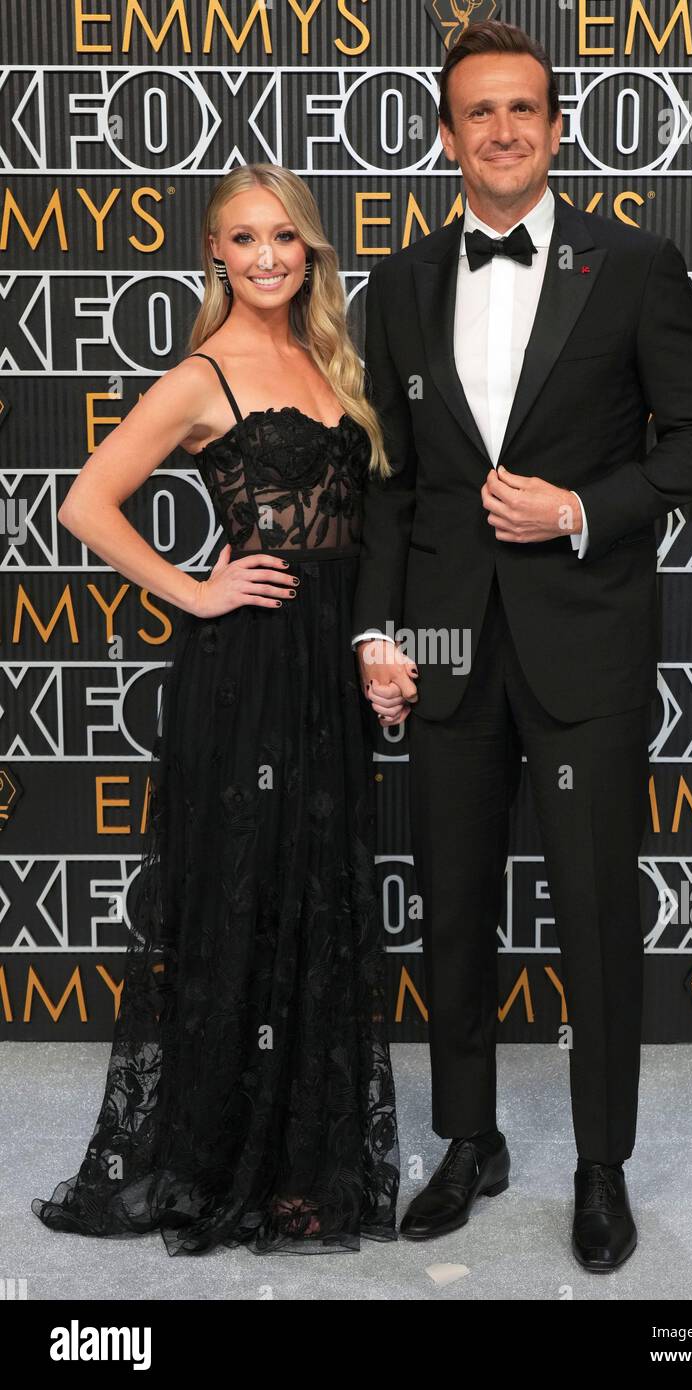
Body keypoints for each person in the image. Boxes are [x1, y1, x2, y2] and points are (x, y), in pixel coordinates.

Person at [353, 21, 692, 1270]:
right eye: (478, 112)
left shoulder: (633, 263)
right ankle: (468, 1140)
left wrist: (579, 510)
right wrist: (378, 630)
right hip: (450, 645)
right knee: (453, 912)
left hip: (586, 648)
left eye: (523, 109)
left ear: (557, 127)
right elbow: (392, 490)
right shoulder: (400, 284)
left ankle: (600, 1166)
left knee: (589, 921)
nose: (502, 131)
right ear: (446, 133)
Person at [31, 164, 400, 1255]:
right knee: (242, 897)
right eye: (244, 238)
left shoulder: (332, 359)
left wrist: (377, 650)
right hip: (243, 672)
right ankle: (215, 1159)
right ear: (215, 256)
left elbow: (365, 529)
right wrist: (197, 588)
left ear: (310, 249)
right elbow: (85, 502)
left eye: (284, 235)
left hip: (328, 670)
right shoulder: (202, 374)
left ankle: (301, 1162)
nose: (268, 255)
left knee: (315, 892)